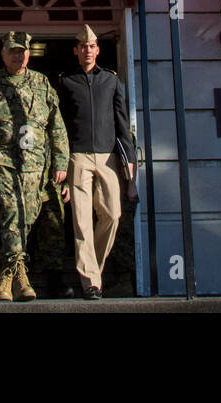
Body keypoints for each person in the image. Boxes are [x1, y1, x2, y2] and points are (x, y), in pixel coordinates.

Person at [0, 30, 69, 301]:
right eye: (12, 50)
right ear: (3, 53)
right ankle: (17, 275)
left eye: (22, 51)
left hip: (35, 165)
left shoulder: (42, 84)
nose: (17, 55)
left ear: (28, 53)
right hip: (2, 160)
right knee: (10, 212)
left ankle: (10, 274)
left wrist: (61, 162)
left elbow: (57, 128)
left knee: (26, 217)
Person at [55, 24, 137, 299]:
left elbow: (122, 126)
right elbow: (60, 127)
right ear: (76, 50)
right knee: (81, 223)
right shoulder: (66, 81)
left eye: (92, 46)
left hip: (107, 158)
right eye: (83, 47)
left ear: (98, 50)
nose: (87, 50)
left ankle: (94, 270)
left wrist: (130, 175)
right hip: (77, 157)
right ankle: (91, 281)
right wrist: (63, 168)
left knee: (112, 215)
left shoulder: (111, 81)